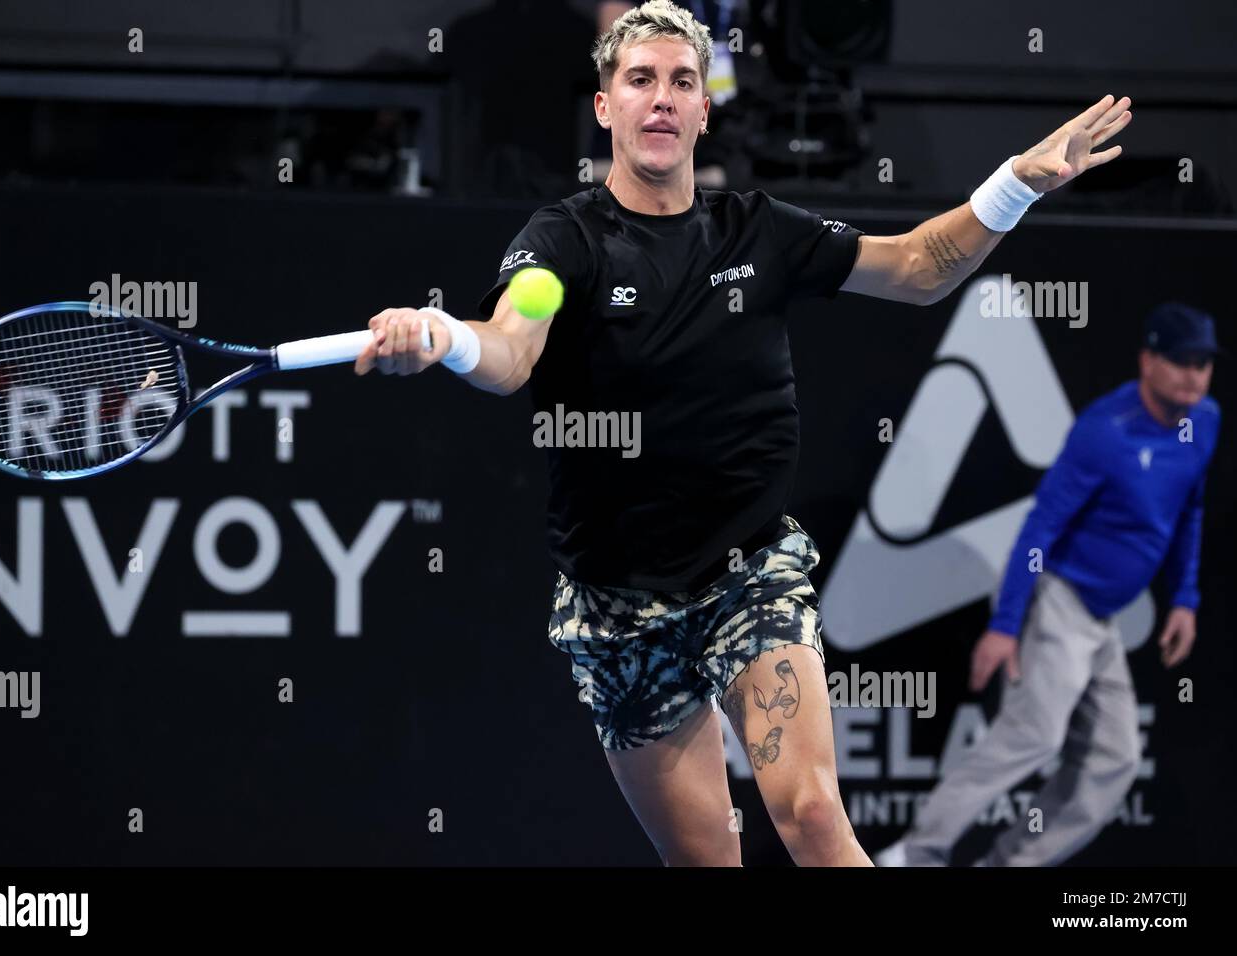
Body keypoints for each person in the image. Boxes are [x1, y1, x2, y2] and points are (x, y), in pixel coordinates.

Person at [352, 0, 1132, 866]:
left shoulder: (760, 232)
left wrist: (1017, 183)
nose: (661, 99)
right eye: (640, 80)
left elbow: (915, 267)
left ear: (703, 109)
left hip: (749, 572)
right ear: (606, 105)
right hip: (617, 606)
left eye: (682, 81)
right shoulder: (561, 243)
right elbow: (510, 348)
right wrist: (447, 338)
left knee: (810, 813)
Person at [878, 303, 1222, 867]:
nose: (1195, 374)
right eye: (1181, 360)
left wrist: (1185, 599)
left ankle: (1008, 865)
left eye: (1203, 363)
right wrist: (1006, 625)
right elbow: (1040, 528)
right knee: (1033, 736)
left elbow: (1191, 509)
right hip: (1057, 599)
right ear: (1147, 361)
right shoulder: (1103, 433)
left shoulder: (1203, 422)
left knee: (1116, 758)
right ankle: (914, 855)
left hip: (1101, 617)